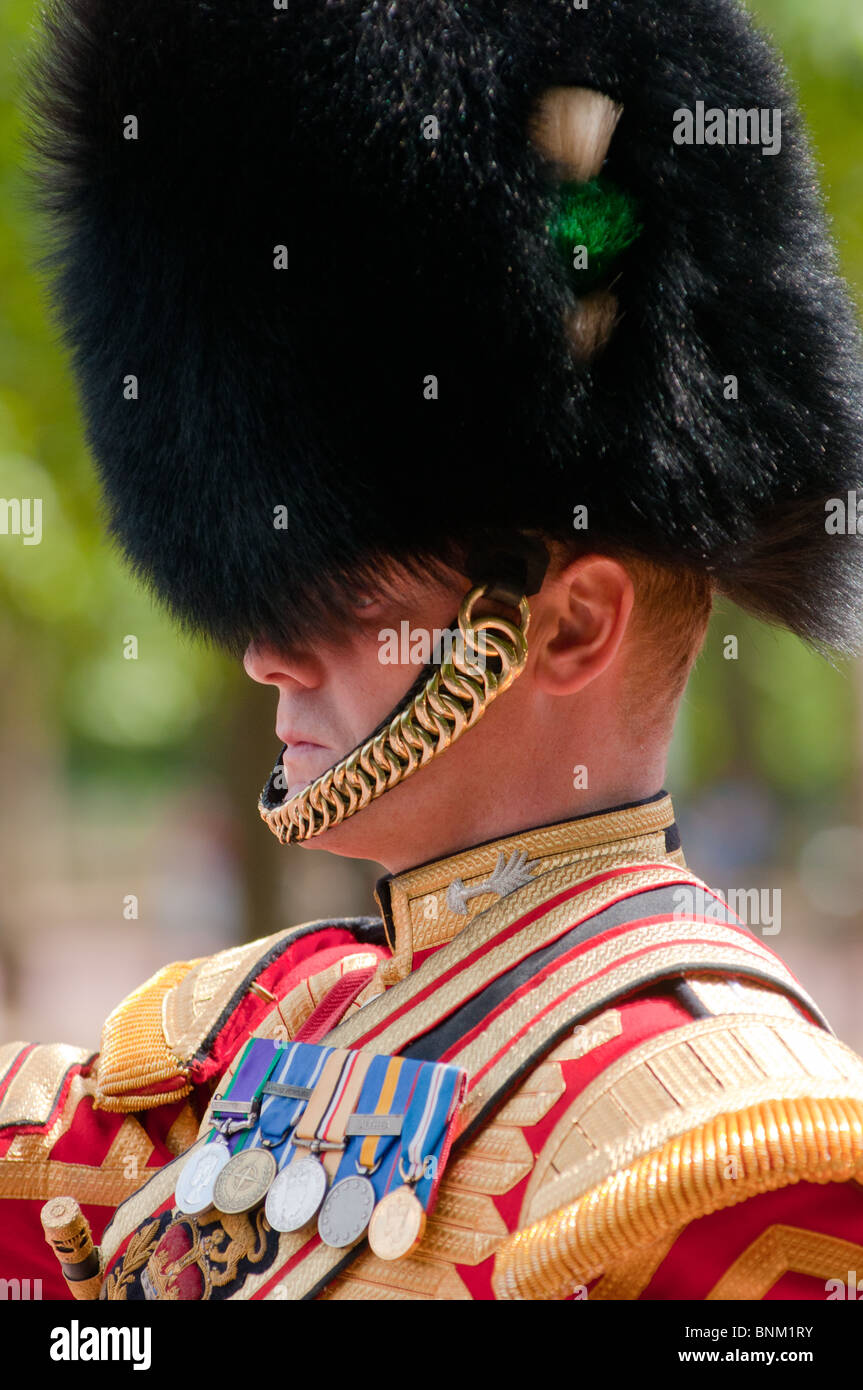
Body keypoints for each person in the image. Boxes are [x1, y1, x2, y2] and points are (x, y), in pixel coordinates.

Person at [3, 0, 863, 1300]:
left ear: (569, 624)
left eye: (332, 589)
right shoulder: (270, 1025)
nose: (264, 654)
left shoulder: (723, 1149)